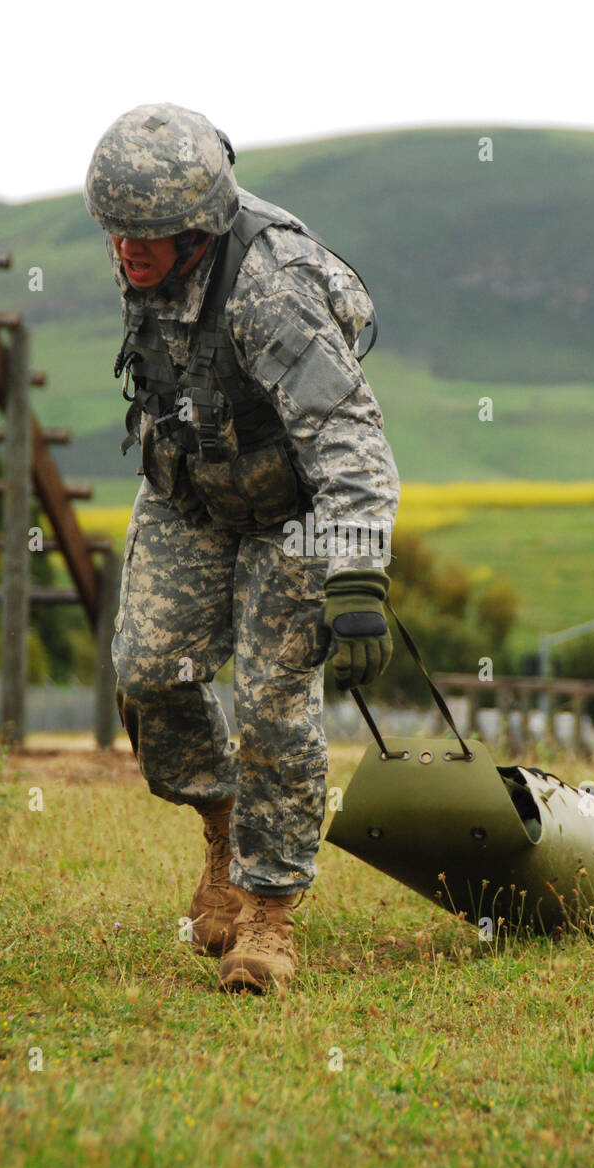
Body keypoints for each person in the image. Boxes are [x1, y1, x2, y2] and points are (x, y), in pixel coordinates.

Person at [84, 103, 400, 994]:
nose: (126, 252)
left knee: (271, 706)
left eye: (145, 236)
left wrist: (359, 573)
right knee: (148, 674)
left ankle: (267, 913)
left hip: (294, 512)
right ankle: (222, 823)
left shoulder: (273, 288)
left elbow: (351, 439)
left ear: (199, 228)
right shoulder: (142, 253)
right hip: (188, 493)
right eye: (116, 233)